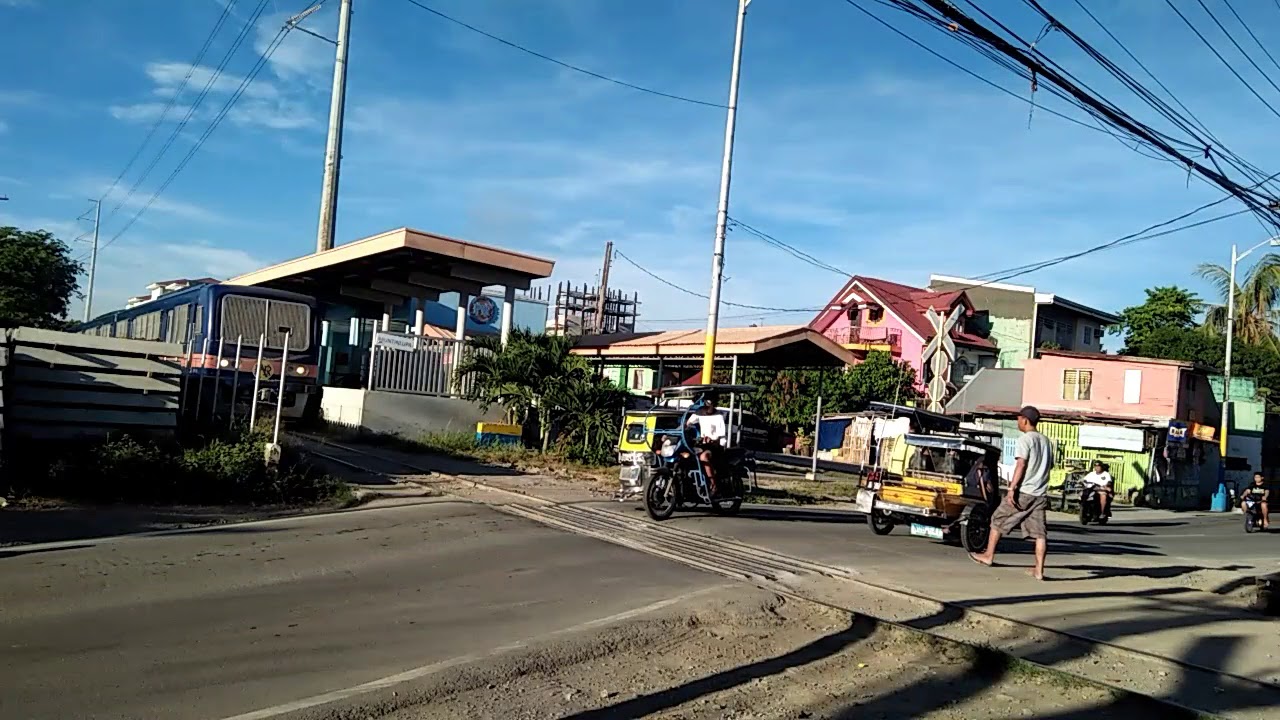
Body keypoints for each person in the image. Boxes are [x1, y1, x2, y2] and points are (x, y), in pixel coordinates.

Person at [970, 405, 1055, 580]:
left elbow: (1021, 464)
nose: (1017, 422)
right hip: (1040, 493)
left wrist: (1012, 488)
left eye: (1018, 419)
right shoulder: (1046, 441)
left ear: (1025, 420)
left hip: (1024, 491)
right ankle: (1039, 570)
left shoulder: (1025, 440)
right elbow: (1049, 466)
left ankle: (988, 556)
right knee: (1040, 533)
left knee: (997, 518)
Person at [685, 392, 727, 496]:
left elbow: (721, 435)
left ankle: (713, 484)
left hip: (715, 446)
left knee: (704, 457)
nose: (707, 407)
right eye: (706, 403)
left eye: (710, 403)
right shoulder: (699, 413)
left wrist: (713, 439)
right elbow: (687, 423)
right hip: (701, 444)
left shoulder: (718, 416)